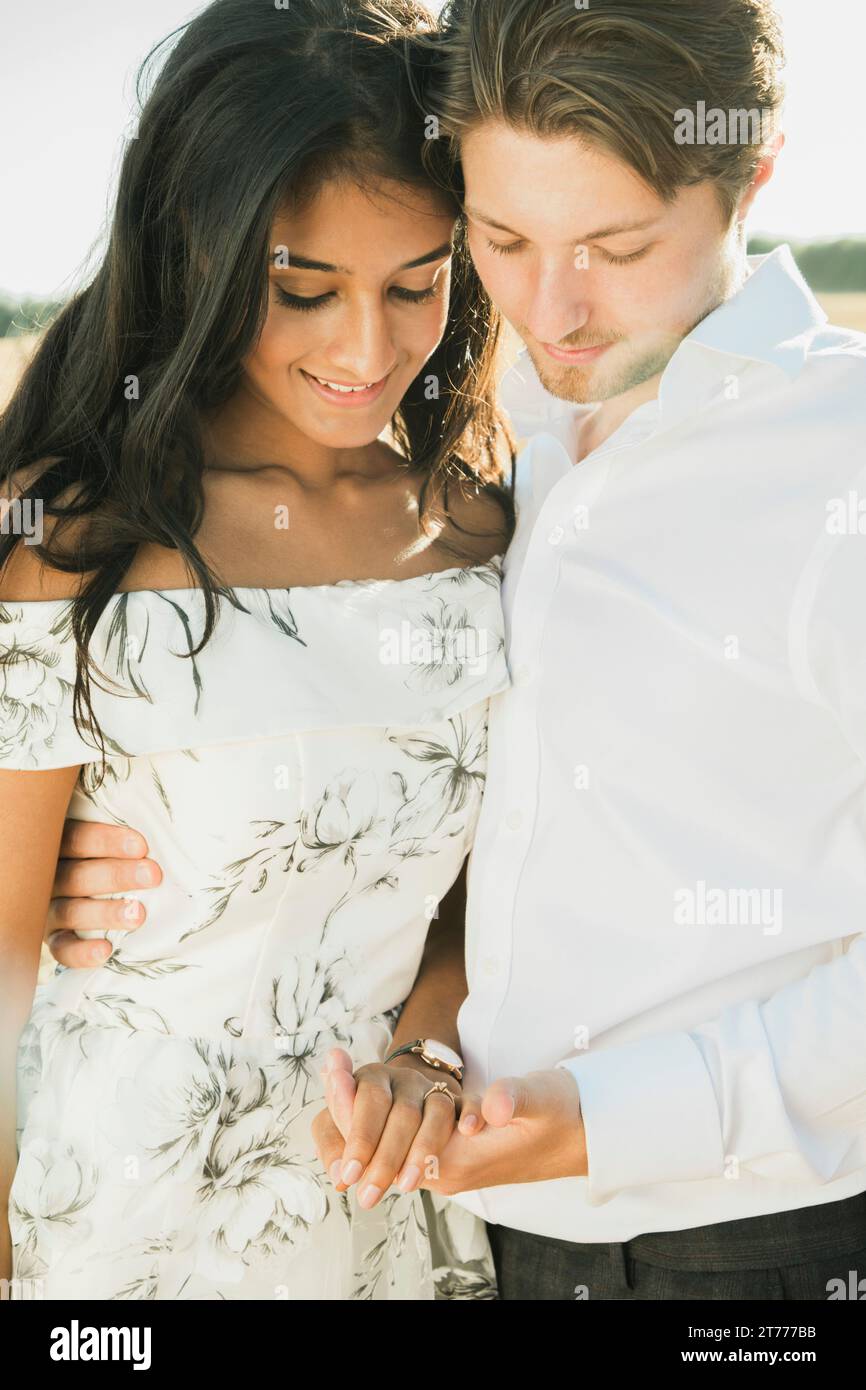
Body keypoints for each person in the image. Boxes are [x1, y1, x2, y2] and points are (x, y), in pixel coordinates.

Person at [37, 0, 866, 1302]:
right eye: (498, 239)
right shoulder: (501, 467)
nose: (553, 306)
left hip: (751, 1245)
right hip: (473, 1234)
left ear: (749, 173)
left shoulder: (839, 466)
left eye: (615, 243)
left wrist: (610, 1112)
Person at [0, 0, 514, 1300]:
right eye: (304, 289)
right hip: (114, 1220)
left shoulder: (481, 536)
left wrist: (432, 1052)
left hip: (384, 1206)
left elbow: (483, 905)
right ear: (202, 256)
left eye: (417, 281)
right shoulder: (76, 540)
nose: (366, 348)